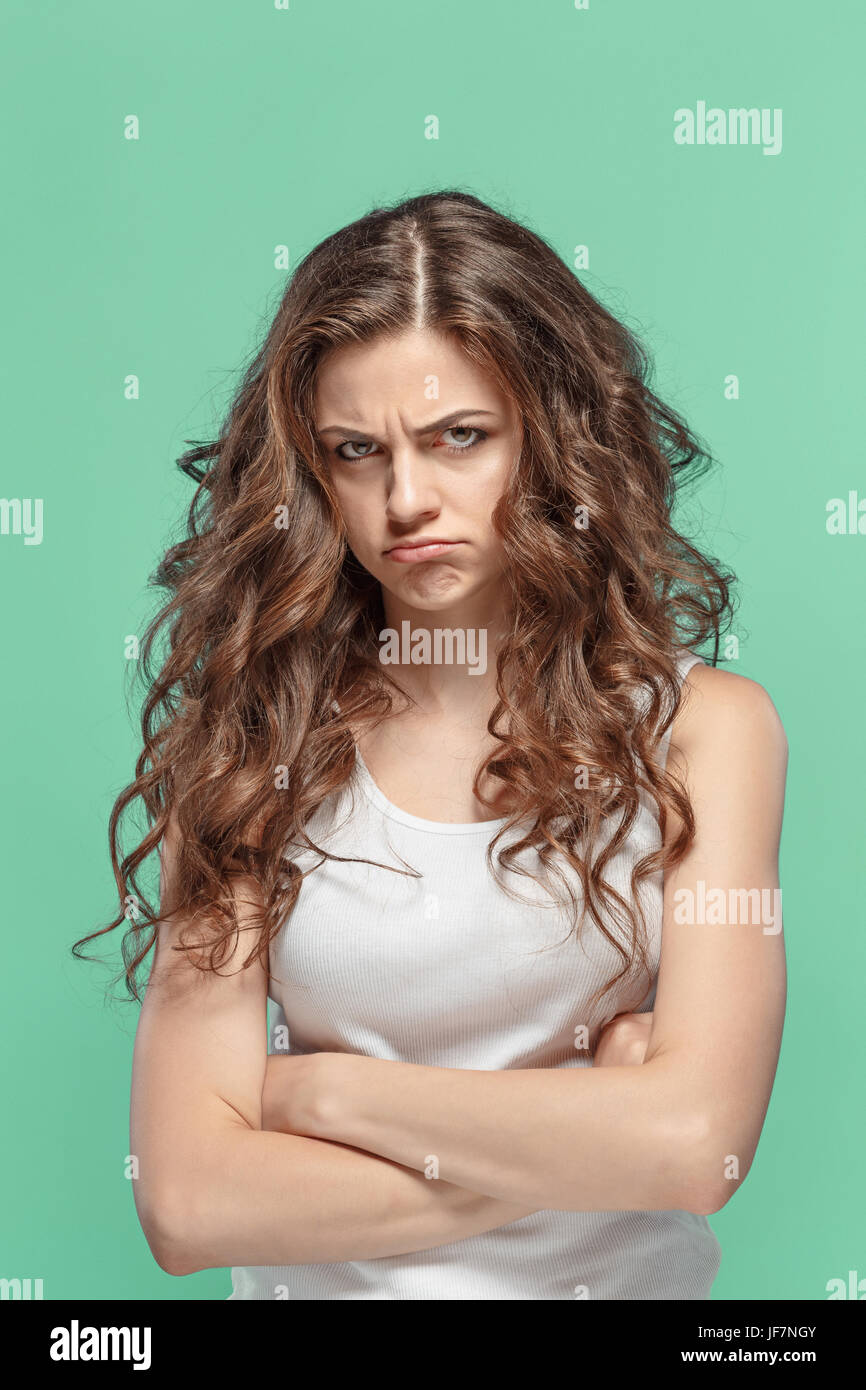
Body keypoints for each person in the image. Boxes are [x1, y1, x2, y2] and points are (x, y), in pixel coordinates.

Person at [74, 189, 788, 1300]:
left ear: (549, 437)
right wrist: (593, 1136)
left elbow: (698, 1145)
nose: (406, 499)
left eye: (461, 437)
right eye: (357, 451)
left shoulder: (703, 733)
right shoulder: (249, 747)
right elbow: (187, 1204)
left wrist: (314, 1097)